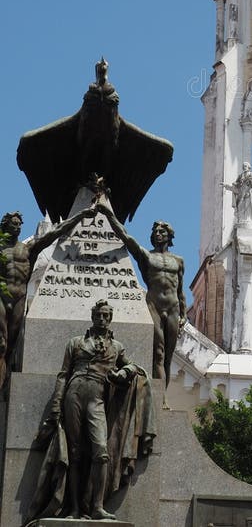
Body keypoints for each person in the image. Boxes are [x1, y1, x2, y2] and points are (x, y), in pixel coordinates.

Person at [37, 299, 153, 521]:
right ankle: (73, 508)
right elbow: (63, 375)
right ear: (92, 316)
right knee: (74, 453)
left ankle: (97, 506)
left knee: (101, 452)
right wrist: (55, 406)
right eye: (98, 315)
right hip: (74, 393)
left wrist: (124, 372)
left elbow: (132, 365)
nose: (102, 319)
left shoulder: (117, 347)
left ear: (110, 319)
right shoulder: (75, 342)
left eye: (106, 316)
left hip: (97, 397)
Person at [0, 207, 93, 387]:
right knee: (1, 344)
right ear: (5, 225)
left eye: (20, 224)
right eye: (14, 224)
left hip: (19, 298)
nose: (18, 227)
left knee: (11, 346)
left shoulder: (27, 249)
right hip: (2, 298)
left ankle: (5, 383)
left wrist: (79, 216)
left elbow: (55, 233)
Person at [95, 204, 186, 386]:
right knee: (158, 354)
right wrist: (108, 214)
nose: (158, 234)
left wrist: (184, 314)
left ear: (169, 235)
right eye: (156, 232)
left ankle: (162, 397)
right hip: (154, 305)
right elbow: (126, 238)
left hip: (174, 307)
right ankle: (159, 396)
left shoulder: (178, 260)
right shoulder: (146, 255)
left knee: (168, 356)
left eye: (162, 231)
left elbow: (180, 290)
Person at [223, 162, 252, 227]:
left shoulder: (251, 175)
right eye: (243, 166)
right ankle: (241, 220)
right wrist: (226, 185)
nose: (244, 167)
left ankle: (248, 220)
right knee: (240, 207)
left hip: (248, 195)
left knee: (248, 208)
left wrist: (250, 188)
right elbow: (235, 186)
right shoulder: (240, 176)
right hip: (241, 195)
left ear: (248, 167)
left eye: (245, 166)